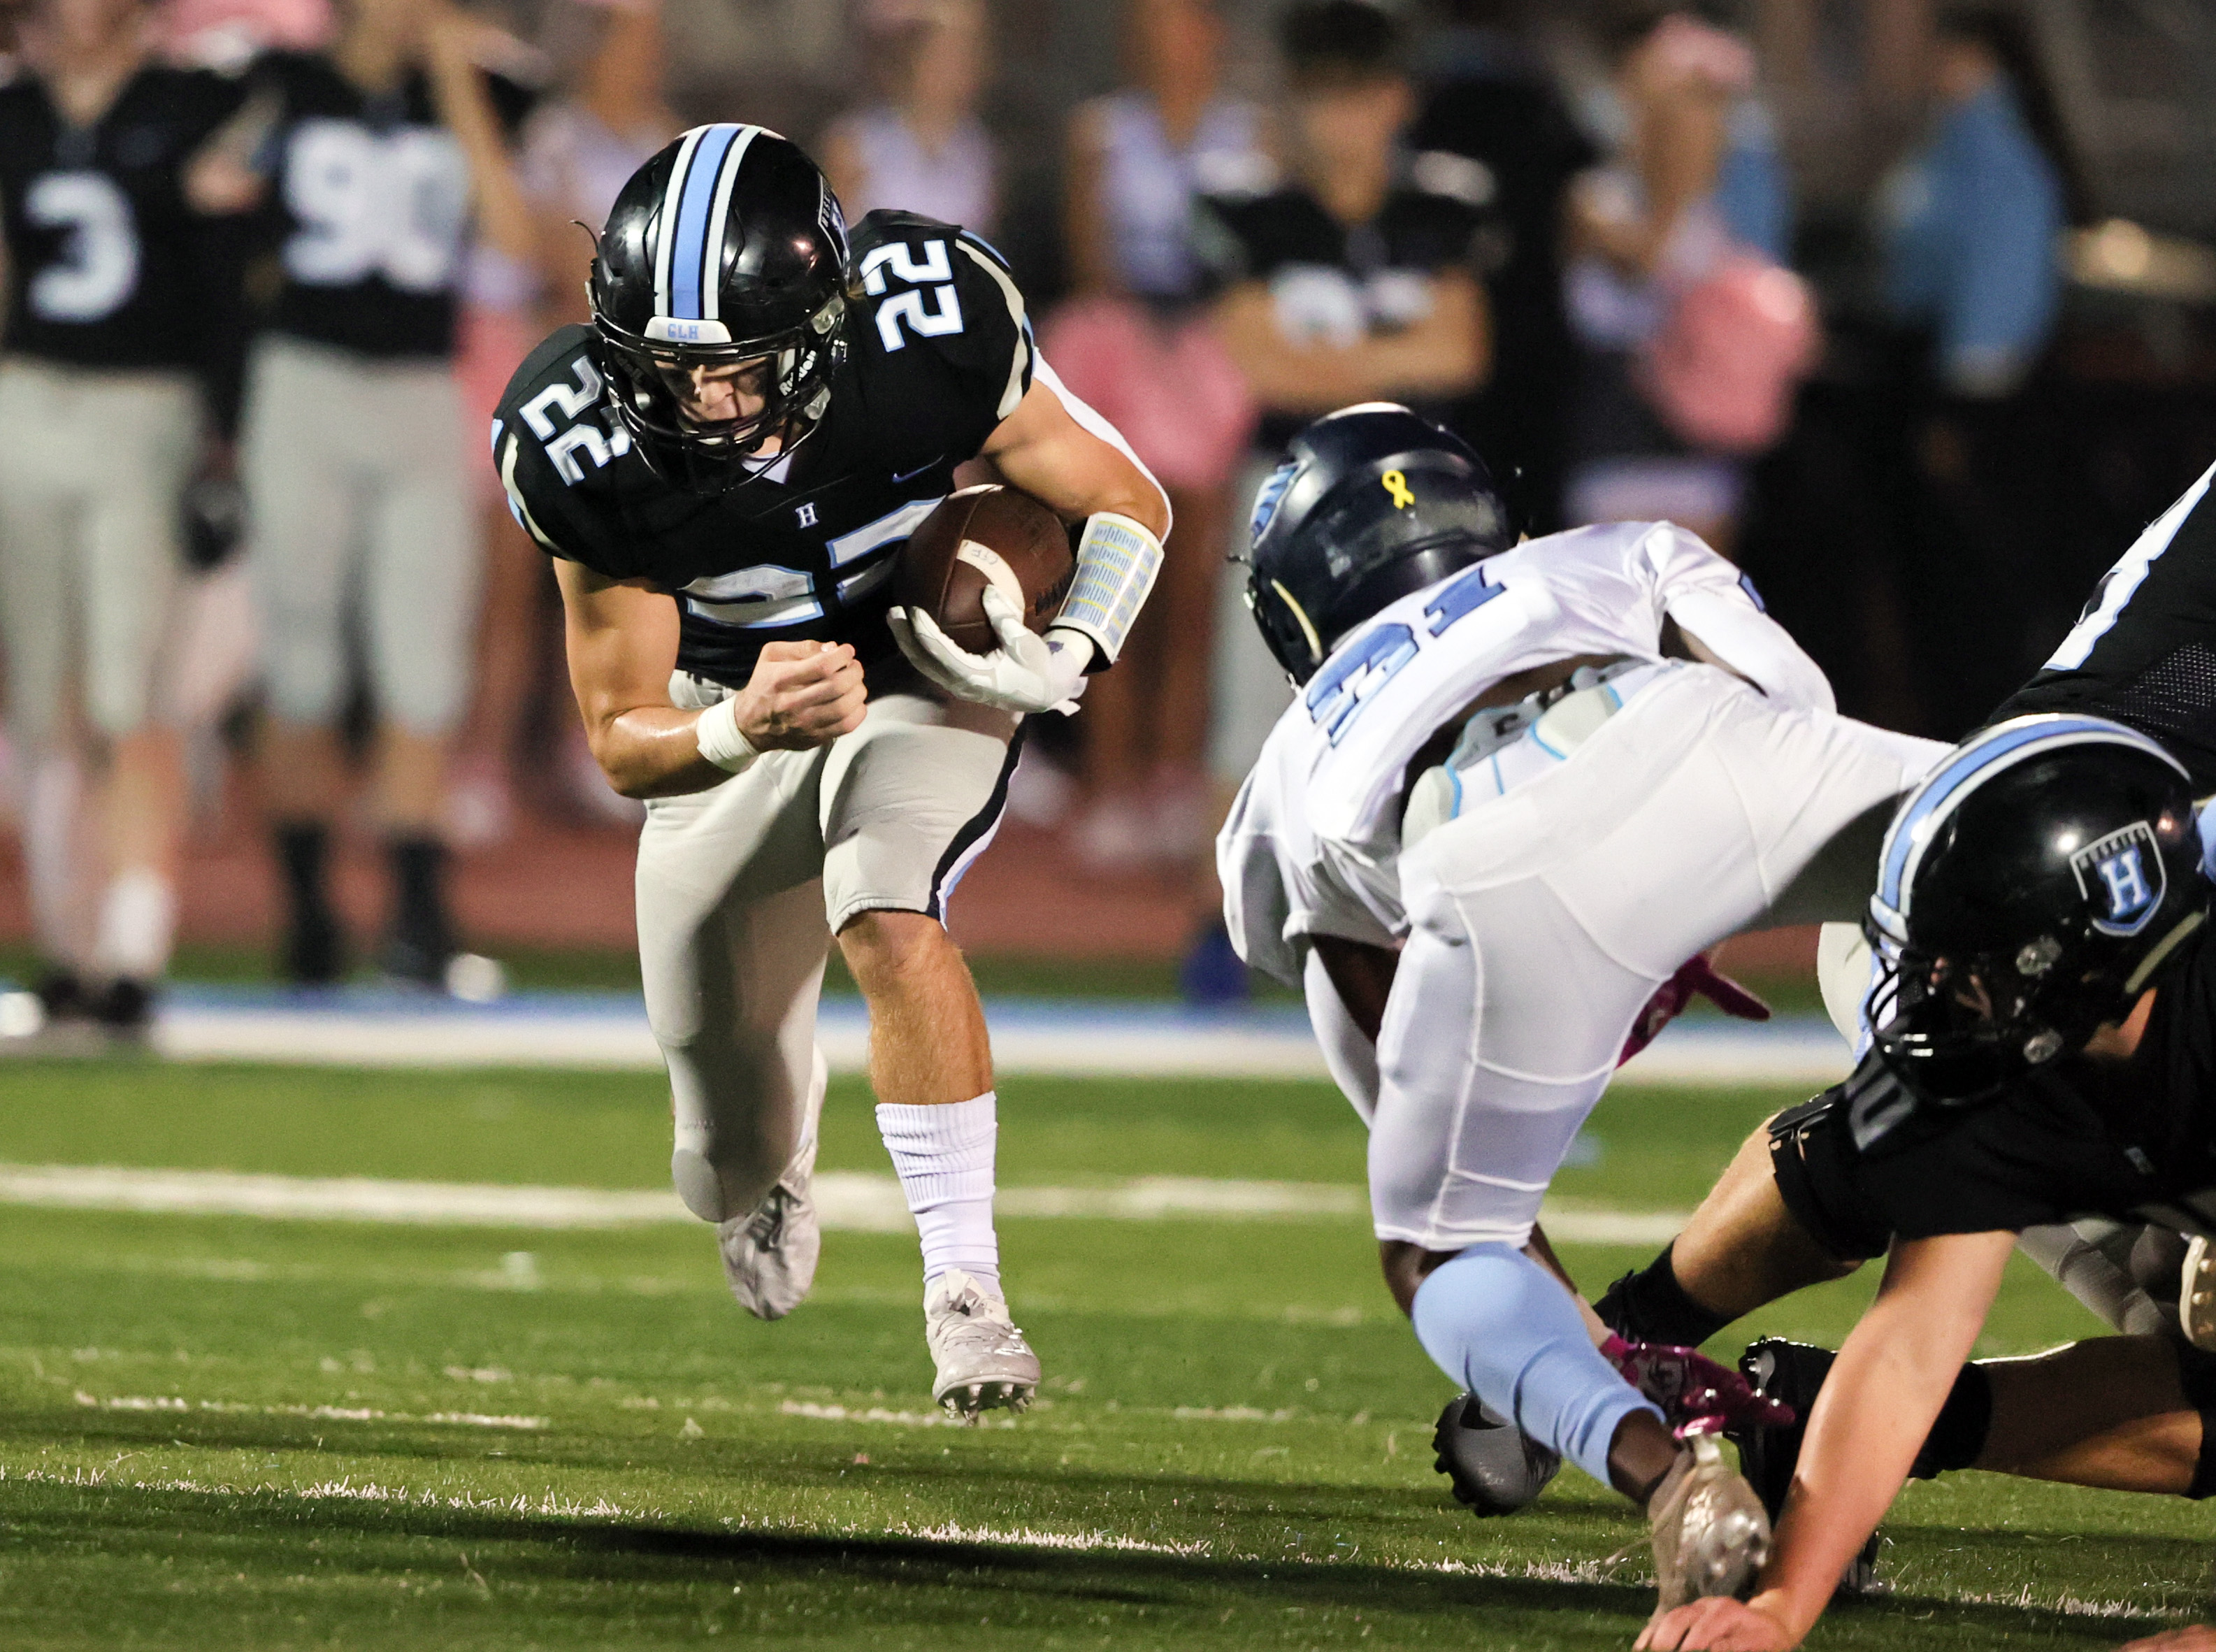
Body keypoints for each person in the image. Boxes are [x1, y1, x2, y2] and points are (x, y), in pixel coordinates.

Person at [1214, 403, 1944, 1614]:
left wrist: (1573, 1370)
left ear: (1295, 594)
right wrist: (1711, 891)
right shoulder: (1605, 550)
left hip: (1492, 849)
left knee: (1436, 1247)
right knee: (2026, 851)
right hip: (1702, 732)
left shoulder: (1291, 762)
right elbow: (1789, 694)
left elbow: (1439, 1163)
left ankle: (1673, 1482)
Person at [493, 127, 1170, 1412]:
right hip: (727, 709)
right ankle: (776, 1149)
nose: (707, 401)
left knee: (888, 912)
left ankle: (966, 1294)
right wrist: (743, 724)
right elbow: (620, 735)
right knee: (717, 1147)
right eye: (671, 370)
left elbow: (1127, 502)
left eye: (738, 366)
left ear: (824, 315)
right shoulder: (573, 434)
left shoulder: (931, 318)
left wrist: (1070, 645)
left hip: (922, 664)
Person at [1633, 716, 2216, 1652]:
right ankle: (1638, 1324)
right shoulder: (2019, 1042)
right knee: (1881, 1160)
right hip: (2121, 1111)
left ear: (2090, 952)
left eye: (1968, 962)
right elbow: (1914, 1332)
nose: (1932, 991)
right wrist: (1779, 1606)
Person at [186, 0, 535, 987]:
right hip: (303, 380)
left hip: (424, 387)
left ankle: (420, 915)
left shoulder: (483, 84)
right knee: (300, 662)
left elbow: (510, 237)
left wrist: (457, 85)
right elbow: (209, 194)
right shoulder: (274, 81)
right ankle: (307, 911)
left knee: (421, 658)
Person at [1195, 0, 1492, 921]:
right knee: (1251, 710)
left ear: (1393, 101)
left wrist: (1330, 364)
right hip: (1285, 492)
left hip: (1419, 501)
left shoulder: (1440, 204)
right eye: (1320, 100)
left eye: (1355, 98)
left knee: (1430, 710)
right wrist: (1391, 350)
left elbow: (1466, 350)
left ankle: (1419, 910)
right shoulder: (1250, 210)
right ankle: (1227, 923)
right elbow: (1254, 359)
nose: (1339, 123)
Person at [0, 0, 247, 1028]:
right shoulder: (16, 111)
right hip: (26, 396)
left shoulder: (195, 99)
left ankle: (135, 952)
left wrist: (220, 431)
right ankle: (67, 948)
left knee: (131, 697)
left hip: (148, 405)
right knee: (42, 697)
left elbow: (235, 265)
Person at [1049, 0, 1268, 870]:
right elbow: (1088, 251)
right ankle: (1110, 783)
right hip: (1122, 353)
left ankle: (1176, 779)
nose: (1164, 42)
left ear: (1210, 33)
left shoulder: (1247, 136)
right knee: (1110, 578)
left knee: (1192, 592)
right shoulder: (1102, 133)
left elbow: (1257, 257)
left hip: (1207, 359)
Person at [1561, 10, 1794, 550]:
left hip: (1698, 447)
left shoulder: (1731, 205)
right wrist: (1683, 165)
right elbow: (1645, 262)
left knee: (1696, 627)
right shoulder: (1593, 200)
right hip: (1613, 446)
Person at [821, 0, 995, 236]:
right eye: (943, 55)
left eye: (968, 54)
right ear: (913, 59)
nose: (960, 69)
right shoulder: (854, 143)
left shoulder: (977, 148)